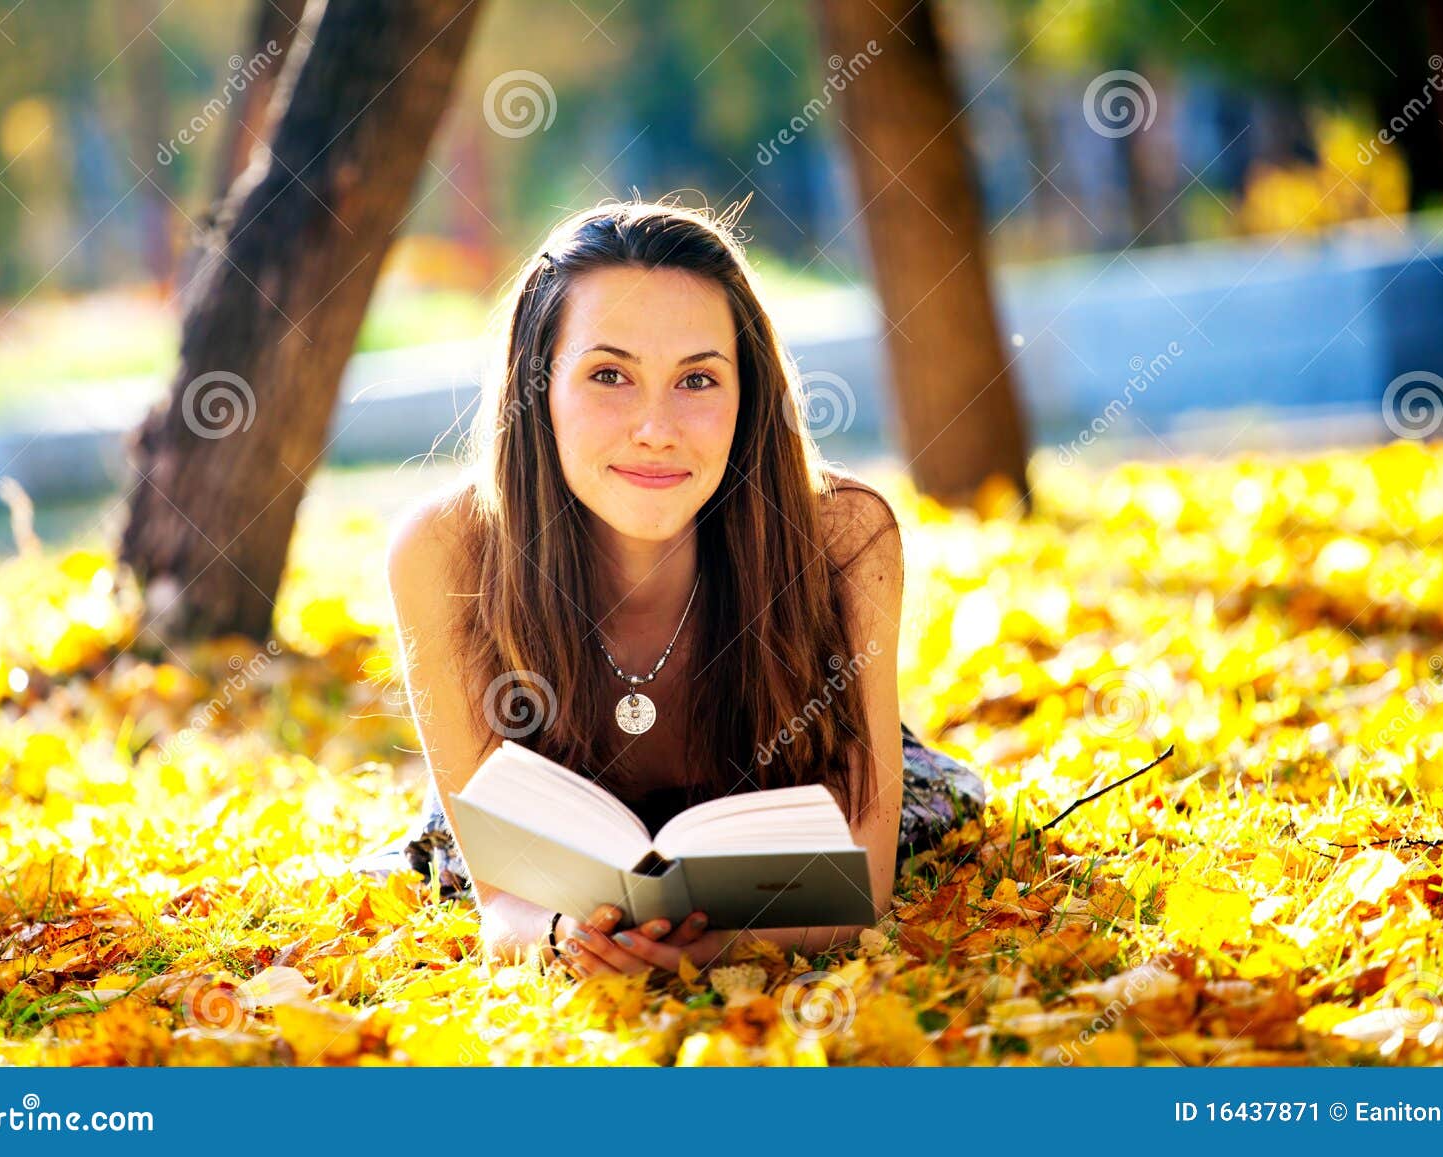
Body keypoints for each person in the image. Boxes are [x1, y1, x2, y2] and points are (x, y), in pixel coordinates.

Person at [359, 199, 986, 979]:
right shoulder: (443, 552)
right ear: (537, 387)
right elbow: (500, 901)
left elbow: (866, 871)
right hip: (561, 869)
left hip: (780, 842)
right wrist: (562, 937)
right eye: (609, 374)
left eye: (697, 379)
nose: (656, 426)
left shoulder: (845, 538)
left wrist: (729, 940)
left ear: (747, 395)